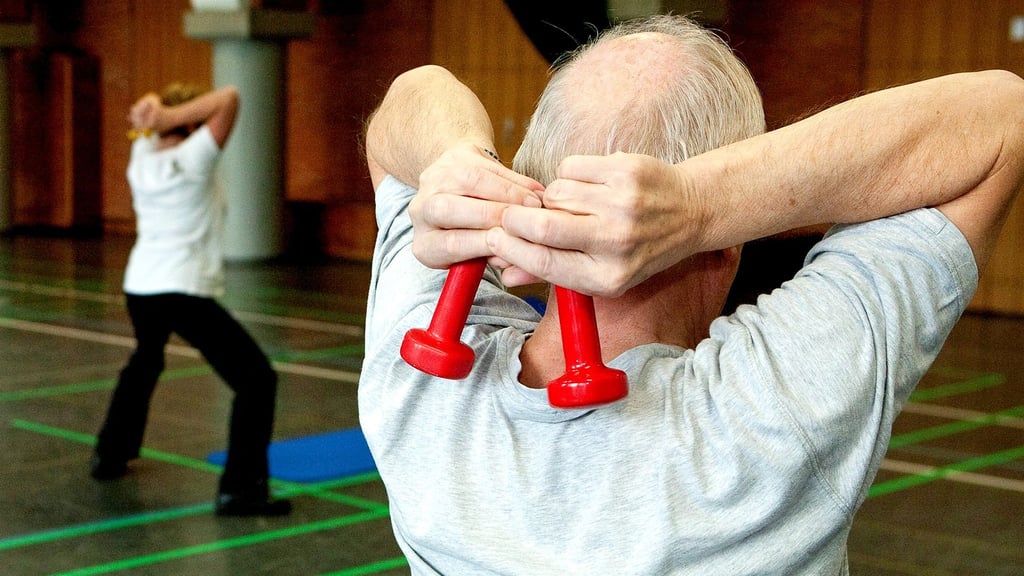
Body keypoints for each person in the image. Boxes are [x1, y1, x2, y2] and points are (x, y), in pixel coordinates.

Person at [361, 14, 1024, 575]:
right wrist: (706, 202)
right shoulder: (769, 407)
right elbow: (1001, 114)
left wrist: (456, 156)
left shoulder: (414, 383)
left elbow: (410, 100)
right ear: (730, 240)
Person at [91, 83, 291, 517]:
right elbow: (232, 96)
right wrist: (165, 115)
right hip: (180, 289)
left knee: (145, 360)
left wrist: (151, 111)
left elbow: (144, 116)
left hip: (140, 287)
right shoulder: (194, 158)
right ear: (192, 123)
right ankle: (241, 489)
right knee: (257, 380)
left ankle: (110, 453)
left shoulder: (142, 157)